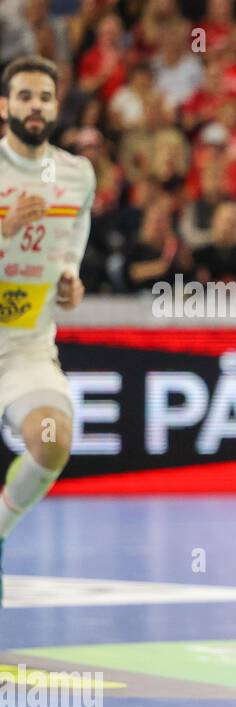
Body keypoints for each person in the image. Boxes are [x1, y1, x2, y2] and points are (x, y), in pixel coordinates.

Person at [0, 56, 94, 604]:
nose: (34, 106)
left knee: (53, 440)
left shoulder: (77, 174)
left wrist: (70, 280)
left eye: (44, 97)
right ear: (5, 105)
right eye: (24, 95)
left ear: (56, 107)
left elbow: (70, 244)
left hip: (25, 350)